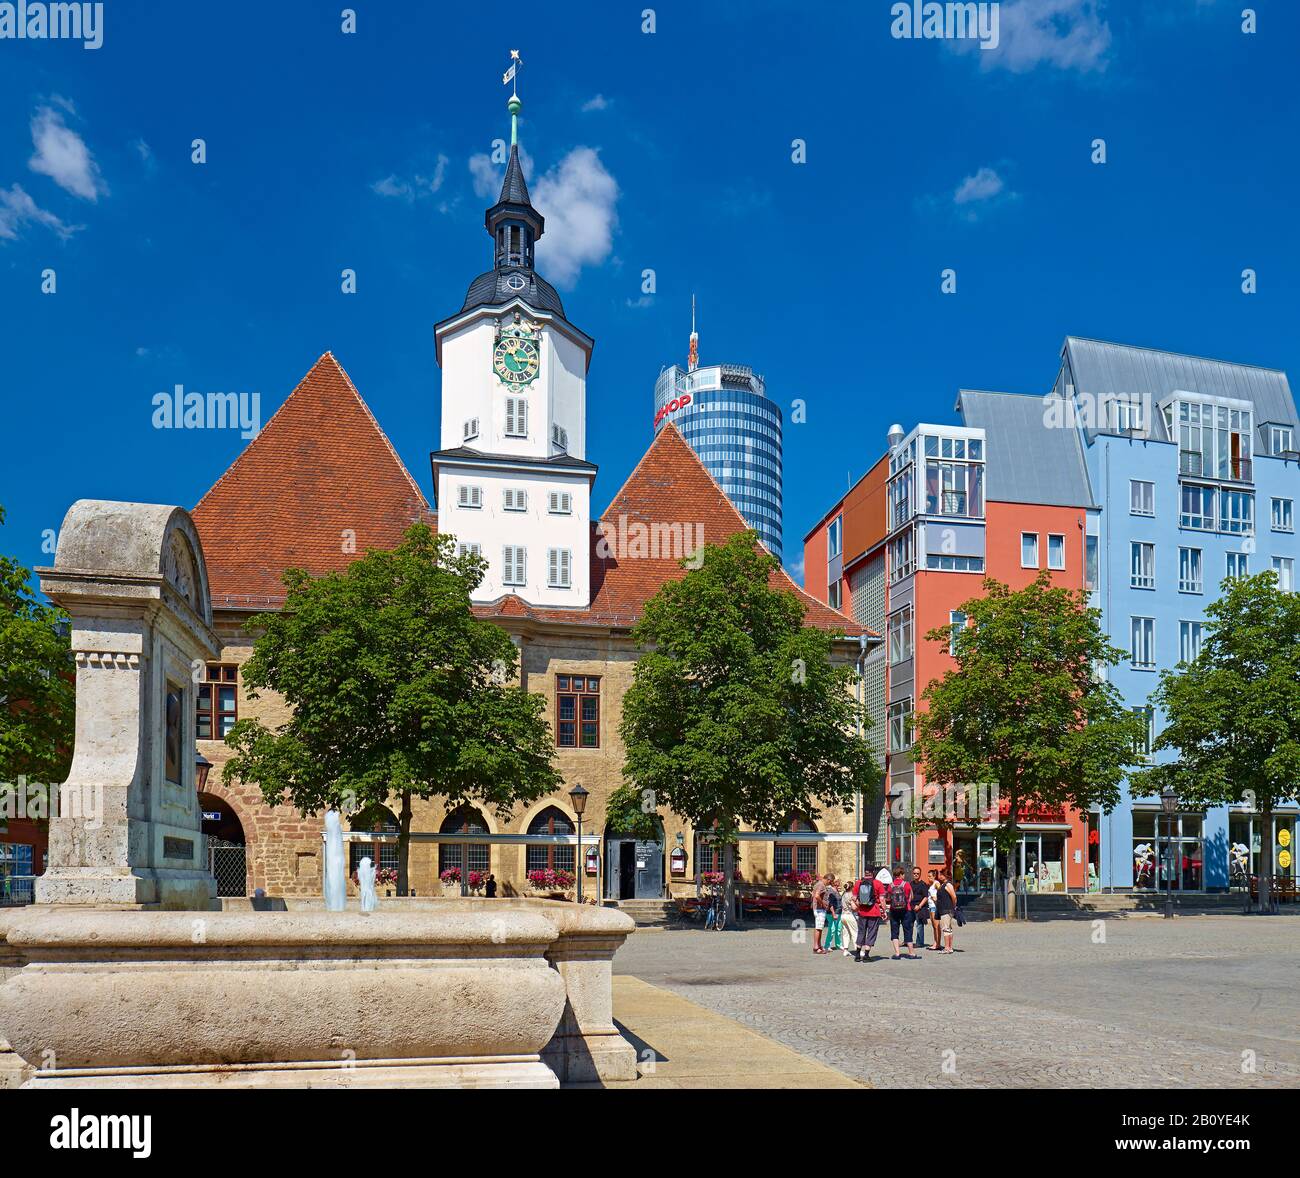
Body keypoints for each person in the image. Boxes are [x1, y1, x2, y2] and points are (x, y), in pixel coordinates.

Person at [854, 868, 888, 962]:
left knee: (861, 932)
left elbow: (854, 898)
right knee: (872, 932)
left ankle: (857, 955)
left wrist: (859, 906)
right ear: (873, 873)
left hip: (862, 912)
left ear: (865, 872)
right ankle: (866, 955)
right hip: (874, 911)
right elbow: (882, 899)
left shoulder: (858, 883)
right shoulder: (878, 883)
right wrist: (884, 911)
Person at [886, 867, 914, 959]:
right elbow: (911, 897)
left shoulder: (890, 885)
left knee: (894, 931)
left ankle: (897, 953)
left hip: (894, 911)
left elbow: (888, 898)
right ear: (901, 874)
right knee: (908, 930)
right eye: (903, 874)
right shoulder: (906, 884)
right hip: (906, 910)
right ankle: (911, 953)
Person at [935, 867, 958, 953]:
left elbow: (954, 896)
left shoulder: (948, 884)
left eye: (941, 874)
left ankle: (947, 948)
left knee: (946, 929)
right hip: (944, 909)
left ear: (946, 875)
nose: (939, 876)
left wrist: (953, 906)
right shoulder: (943, 884)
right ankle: (950, 947)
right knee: (948, 928)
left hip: (946, 909)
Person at [839, 871, 860, 957]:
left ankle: (845, 950)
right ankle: (857, 951)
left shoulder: (843, 894)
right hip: (850, 915)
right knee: (855, 932)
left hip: (843, 915)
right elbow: (854, 907)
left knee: (846, 933)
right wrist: (859, 907)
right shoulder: (851, 895)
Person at [910, 865, 929, 949]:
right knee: (909, 925)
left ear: (920, 874)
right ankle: (908, 941)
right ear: (912, 874)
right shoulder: (910, 884)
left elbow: (926, 897)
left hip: (920, 907)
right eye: (914, 873)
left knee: (919, 925)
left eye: (917, 873)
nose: (916, 875)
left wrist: (920, 906)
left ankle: (920, 942)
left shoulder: (923, 884)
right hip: (911, 907)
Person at [811, 872, 829, 955]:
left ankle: (818, 945)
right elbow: (817, 896)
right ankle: (816, 947)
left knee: (819, 928)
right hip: (819, 909)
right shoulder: (821, 885)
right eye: (830, 882)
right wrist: (822, 903)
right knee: (818, 928)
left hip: (818, 909)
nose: (829, 884)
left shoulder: (818, 884)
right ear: (828, 879)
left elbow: (813, 895)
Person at [824, 874, 843, 952]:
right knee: (832, 929)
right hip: (832, 913)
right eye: (838, 881)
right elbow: (830, 903)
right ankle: (827, 945)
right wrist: (833, 913)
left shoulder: (836, 890)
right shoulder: (831, 890)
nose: (839, 882)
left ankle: (838, 944)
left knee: (838, 929)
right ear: (834, 882)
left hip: (839, 912)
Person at [926, 870, 942, 950]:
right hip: (931, 906)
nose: (928, 878)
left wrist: (936, 898)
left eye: (930, 876)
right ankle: (935, 942)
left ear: (934, 876)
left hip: (935, 906)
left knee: (936, 926)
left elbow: (941, 893)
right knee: (934, 926)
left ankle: (937, 943)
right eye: (928, 876)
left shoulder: (936, 883)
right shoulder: (931, 884)